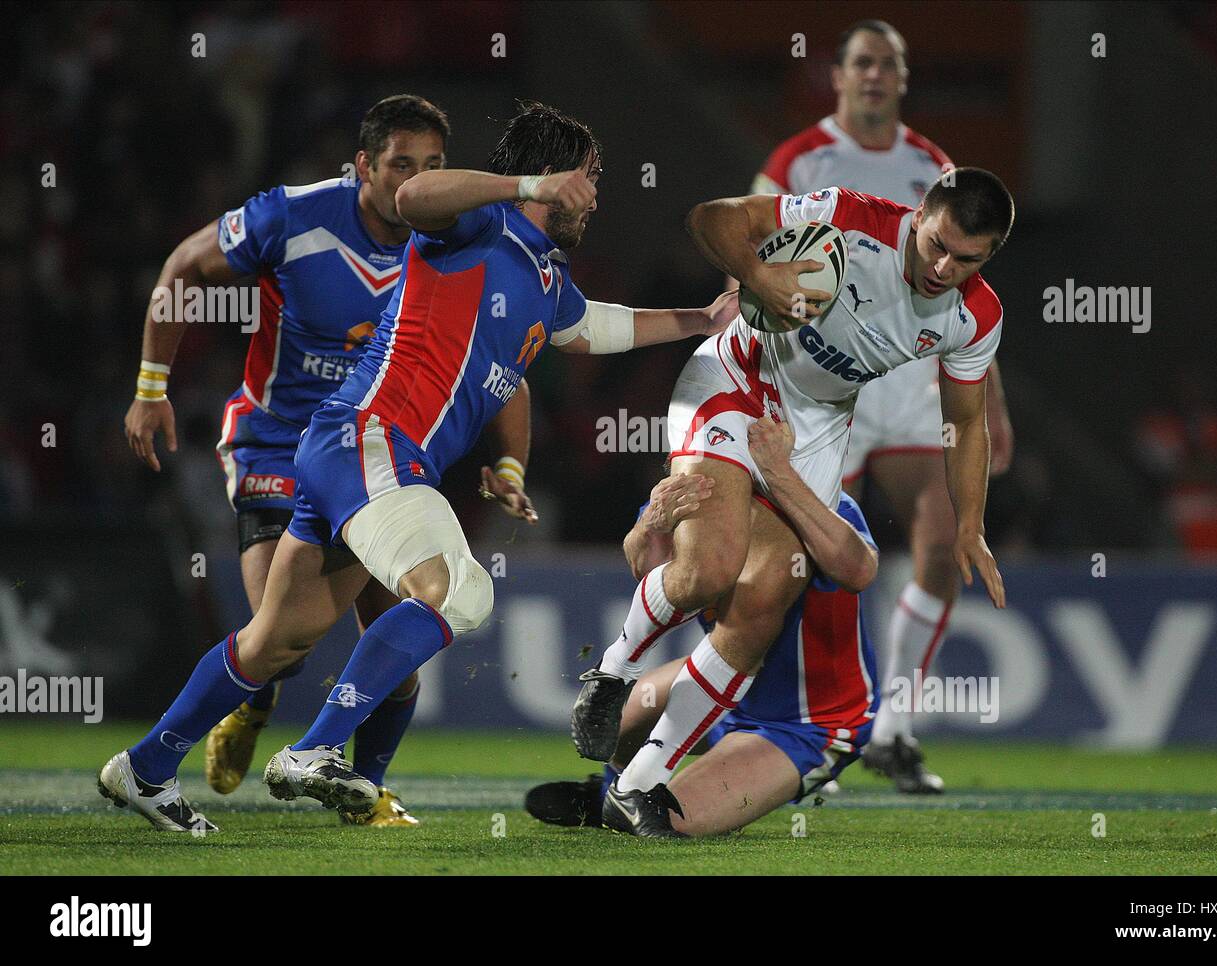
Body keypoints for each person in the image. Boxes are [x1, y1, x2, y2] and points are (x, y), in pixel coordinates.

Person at [98, 103, 738, 833]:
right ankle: (317, 750)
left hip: (351, 451)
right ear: (552, 179)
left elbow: (593, 327)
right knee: (461, 590)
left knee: (274, 641)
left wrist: (697, 319)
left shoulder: (546, 277)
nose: (595, 197)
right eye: (589, 180)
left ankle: (144, 767)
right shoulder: (480, 222)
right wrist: (527, 183)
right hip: (372, 442)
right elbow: (411, 199)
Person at [121, 95, 536, 826]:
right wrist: (152, 386)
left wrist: (511, 466)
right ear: (363, 168)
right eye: (401, 165)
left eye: (434, 166)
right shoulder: (296, 215)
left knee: (394, 634)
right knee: (282, 641)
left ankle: (361, 791)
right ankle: (239, 712)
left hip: (378, 457)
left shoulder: (459, 243)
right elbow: (186, 262)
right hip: (279, 442)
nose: (418, 180)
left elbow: (506, 357)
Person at [574, 169, 1013, 836]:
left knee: (761, 597)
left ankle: (638, 784)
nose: (943, 267)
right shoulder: (849, 217)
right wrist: (758, 270)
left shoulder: (975, 316)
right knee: (712, 571)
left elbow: (968, 422)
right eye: (935, 244)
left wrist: (970, 525)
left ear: (991, 255)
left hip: (815, 432)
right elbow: (710, 213)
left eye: (967, 258)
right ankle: (612, 673)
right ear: (918, 213)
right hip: (735, 382)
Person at [752, 20, 1015, 792]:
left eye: (888, 66)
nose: (874, 76)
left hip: (905, 383)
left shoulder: (935, 167)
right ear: (837, 76)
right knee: (813, 557)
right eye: (862, 63)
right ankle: (808, 726)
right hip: (817, 379)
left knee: (943, 541)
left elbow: (966, 292)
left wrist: (989, 406)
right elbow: (755, 246)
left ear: (902, 79)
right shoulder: (801, 160)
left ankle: (892, 728)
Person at [530, 415, 879, 837]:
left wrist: (781, 475)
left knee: (671, 819)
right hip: (721, 685)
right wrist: (650, 526)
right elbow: (653, 578)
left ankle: (623, 801)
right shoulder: (700, 498)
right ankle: (612, 790)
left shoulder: (823, 504)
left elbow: (858, 569)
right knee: (612, 723)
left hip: (804, 722)